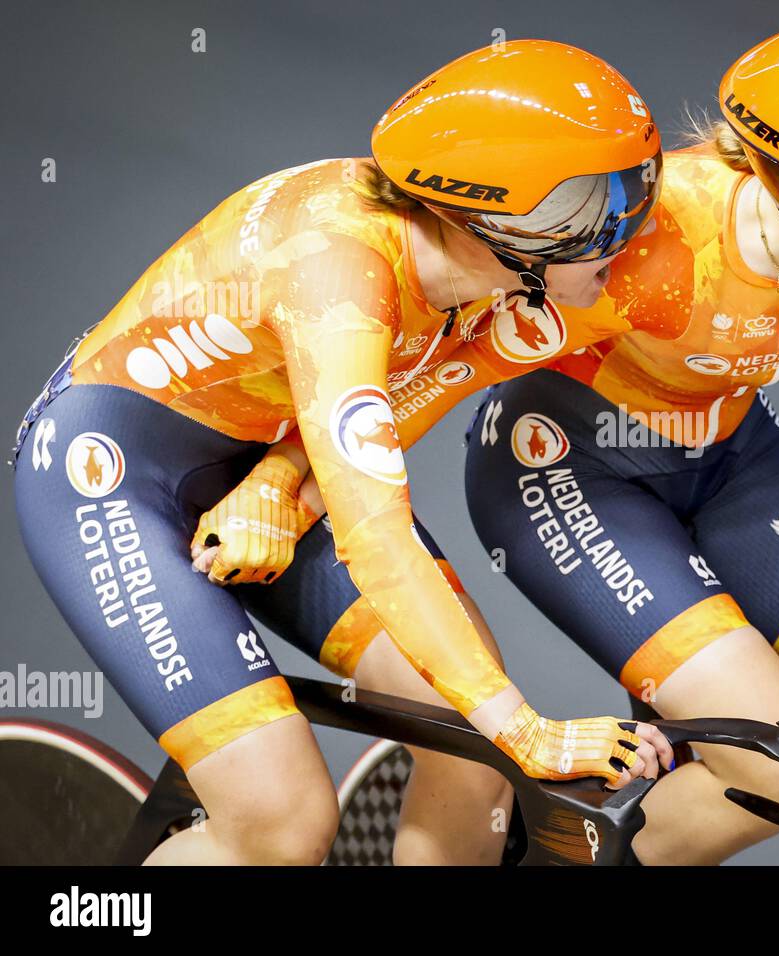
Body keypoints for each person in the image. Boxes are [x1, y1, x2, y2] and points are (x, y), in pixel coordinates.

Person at [196, 17, 779, 865]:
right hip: (569, 463)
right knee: (774, 765)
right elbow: (445, 371)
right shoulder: (657, 248)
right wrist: (282, 480)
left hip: (733, 458)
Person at [11, 39, 672, 866]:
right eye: (586, 208)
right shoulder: (341, 275)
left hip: (272, 450)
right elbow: (378, 534)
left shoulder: (477, 278)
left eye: (631, 191)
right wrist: (527, 728)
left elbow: (394, 408)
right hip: (114, 470)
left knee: (475, 768)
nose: (625, 229)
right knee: (281, 821)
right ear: (490, 218)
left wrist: (280, 481)